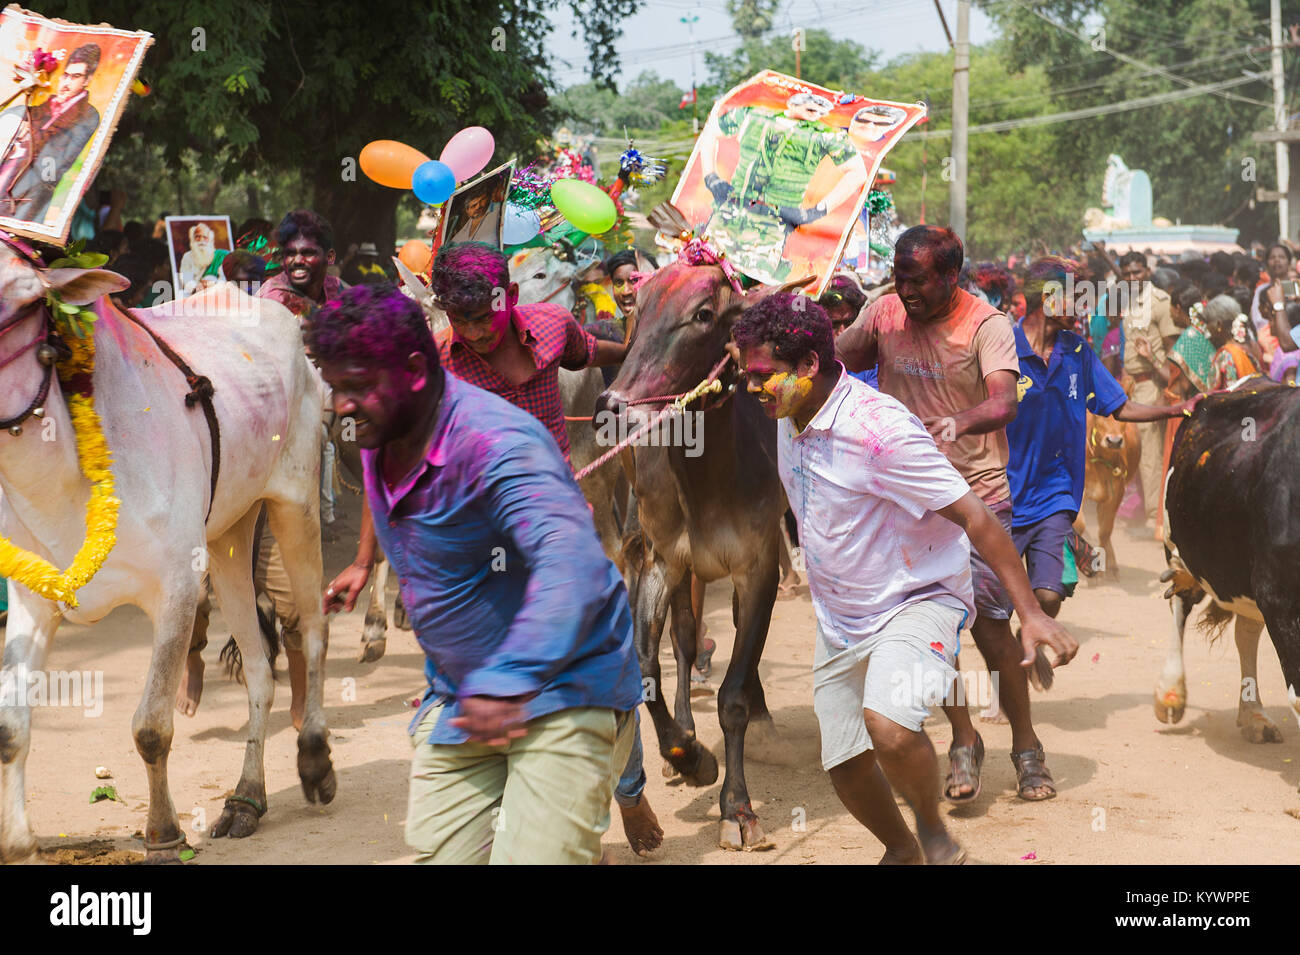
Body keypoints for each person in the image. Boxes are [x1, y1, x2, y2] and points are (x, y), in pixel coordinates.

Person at [332, 242, 662, 855]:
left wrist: (652, 360)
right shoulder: (421, 373)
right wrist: (363, 563)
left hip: (555, 520)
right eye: (462, 322)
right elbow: (391, 484)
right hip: (485, 539)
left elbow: (598, 352)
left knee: (590, 645)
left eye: (485, 317)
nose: (477, 333)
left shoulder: (552, 329)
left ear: (508, 299)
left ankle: (629, 790)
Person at [733, 292, 1077, 864]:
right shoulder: (786, 415)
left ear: (810, 366)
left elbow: (976, 517)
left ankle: (932, 830)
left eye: (763, 375)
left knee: (889, 728)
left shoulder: (879, 431)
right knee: (844, 762)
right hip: (840, 618)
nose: (752, 387)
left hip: (918, 599)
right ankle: (902, 850)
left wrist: (1033, 614)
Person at [837, 224, 1058, 803]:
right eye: (898, 277)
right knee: (930, 627)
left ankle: (1026, 743)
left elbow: (1005, 400)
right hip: (906, 501)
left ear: (950, 277)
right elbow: (842, 357)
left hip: (977, 496)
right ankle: (964, 738)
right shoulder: (884, 312)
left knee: (990, 629)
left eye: (916, 281)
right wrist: (806, 325)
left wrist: (960, 421)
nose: (904, 290)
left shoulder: (986, 324)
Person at [1008, 258, 1195, 618]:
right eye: (1078, 298)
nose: (1086, 307)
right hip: (1005, 493)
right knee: (994, 605)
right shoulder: (1002, 344)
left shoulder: (1078, 351)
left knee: (1049, 597)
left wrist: (1177, 409)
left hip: (1056, 494)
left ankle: (1033, 628)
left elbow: (1120, 408)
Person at [702, 91, 864, 281]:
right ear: (793, 104)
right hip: (729, 212)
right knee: (704, 274)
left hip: (770, 226)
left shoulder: (826, 135)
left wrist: (816, 211)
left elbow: (858, 172)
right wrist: (710, 177)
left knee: (753, 284)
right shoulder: (753, 114)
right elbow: (710, 131)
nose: (816, 112)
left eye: (821, 109)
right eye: (811, 106)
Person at [0, 44, 102, 222]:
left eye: (75, 77)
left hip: (33, 188)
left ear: (88, 79)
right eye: (66, 75)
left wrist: (30, 138)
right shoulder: (50, 101)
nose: (66, 83)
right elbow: (24, 116)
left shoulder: (89, 115)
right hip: (13, 173)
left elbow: (57, 163)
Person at [1117, 251, 1179, 531]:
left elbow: (1172, 348)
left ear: (1147, 272)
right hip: (1129, 384)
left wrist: (1162, 389)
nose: (1132, 278)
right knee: (1129, 451)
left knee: (1150, 455)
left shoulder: (1160, 303)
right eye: (1127, 273)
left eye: (1137, 272)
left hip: (1151, 384)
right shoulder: (1127, 300)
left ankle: (1156, 519)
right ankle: (1143, 510)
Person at [178, 222, 218, 296]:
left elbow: (222, 278)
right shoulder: (187, 256)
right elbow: (185, 277)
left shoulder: (217, 256)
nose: (201, 240)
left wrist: (211, 284)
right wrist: (196, 288)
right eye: (198, 236)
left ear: (209, 239)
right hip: (193, 294)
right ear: (193, 238)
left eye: (205, 237)